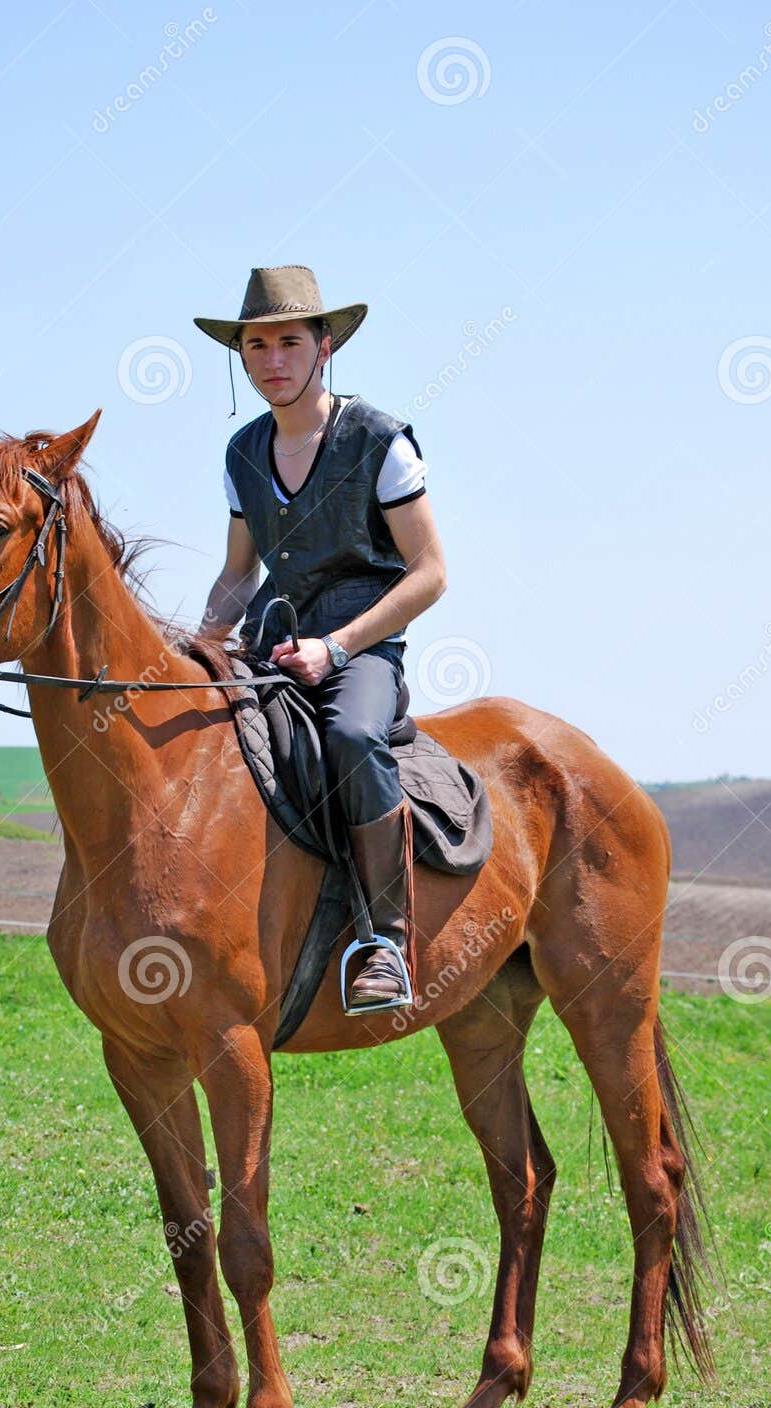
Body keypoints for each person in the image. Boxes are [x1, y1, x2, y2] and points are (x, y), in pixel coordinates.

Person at [195, 265, 448, 1012]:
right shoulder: (242, 453)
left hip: (366, 644)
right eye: (256, 345)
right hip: (273, 640)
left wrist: (336, 648)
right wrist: (205, 638)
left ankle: (386, 944)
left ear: (324, 345)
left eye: (288, 342)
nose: (272, 360)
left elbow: (430, 574)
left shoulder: (378, 440)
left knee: (348, 736)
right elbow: (239, 574)